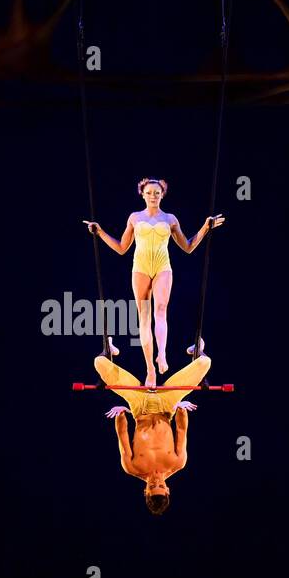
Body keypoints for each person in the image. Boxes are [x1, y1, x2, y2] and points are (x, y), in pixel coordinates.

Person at [83, 177, 224, 388]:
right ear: (142, 194)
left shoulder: (170, 219)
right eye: (149, 192)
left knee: (160, 310)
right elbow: (122, 247)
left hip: (162, 267)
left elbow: (187, 246)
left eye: (157, 193)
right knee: (145, 317)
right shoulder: (134, 217)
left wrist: (205, 227)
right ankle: (150, 368)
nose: (153, 196)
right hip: (140, 268)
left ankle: (162, 355)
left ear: (162, 195)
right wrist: (100, 231)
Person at [93, 340, 211, 515]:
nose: (156, 480)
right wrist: (181, 408)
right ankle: (198, 351)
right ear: (168, 489)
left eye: (152, 486)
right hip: (166, 405)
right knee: (205, 363)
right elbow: (181, 429)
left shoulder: (132, 467)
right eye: (161, 485)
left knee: (99, 363)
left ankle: (109, 352)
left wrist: (121, 413)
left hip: (139, 406)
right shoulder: (178, 463)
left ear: (145, 491)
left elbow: (122, 433)